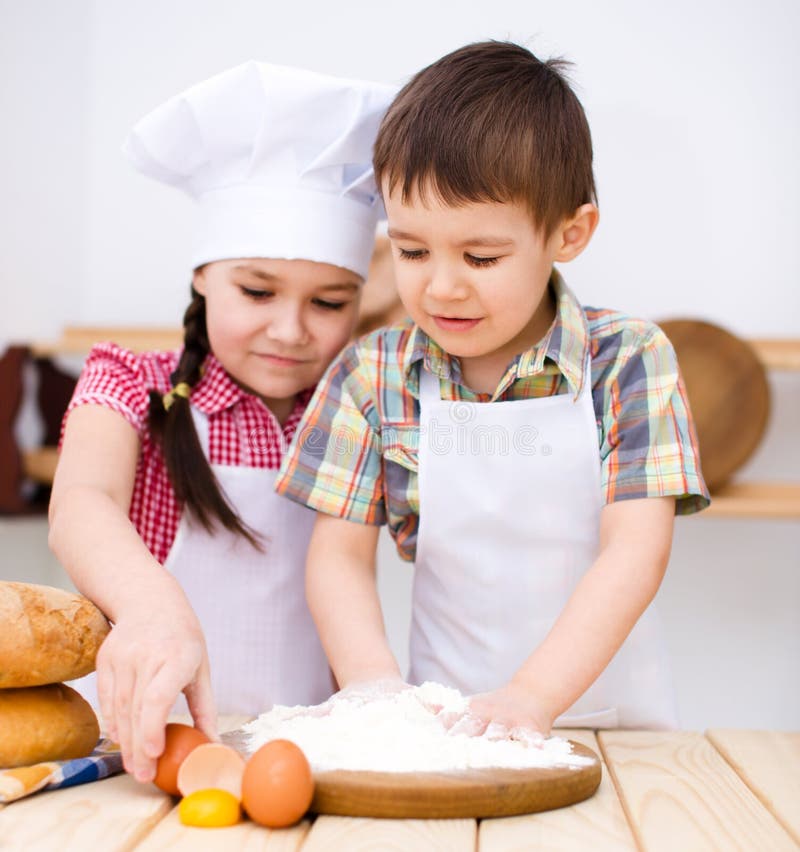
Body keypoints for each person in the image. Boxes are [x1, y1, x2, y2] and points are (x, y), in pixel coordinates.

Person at [275, 41, 710, 736]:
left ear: (570, 233)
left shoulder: (628, 360)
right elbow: (339, 558)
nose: (441, 285)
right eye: (412, 249)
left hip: (610, 733)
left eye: (481, 256)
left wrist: (532, 698)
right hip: (441, 732)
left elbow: (636, 552)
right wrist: (372, 687)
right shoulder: (371, 375)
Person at [48, 60, 395, 781]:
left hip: (305, 756)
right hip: (139, 753)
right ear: (203, 273)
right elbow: (82, 503)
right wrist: (152, 610)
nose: (291, 329)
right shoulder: (132, 381)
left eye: (330, 302)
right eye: (258, 290)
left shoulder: (357, 408)